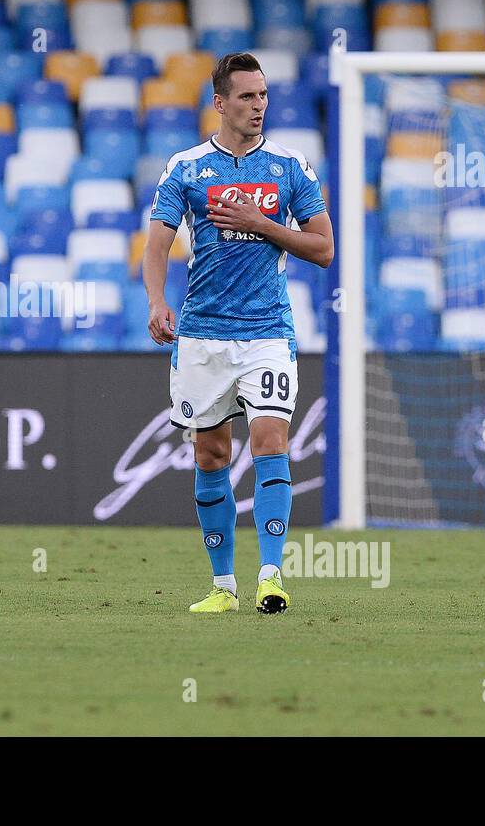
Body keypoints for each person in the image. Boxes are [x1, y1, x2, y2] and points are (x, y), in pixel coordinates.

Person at [142, 52, 335, 613]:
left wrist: (261, 224)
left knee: (272, 441)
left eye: (264, 96)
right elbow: (156, 246)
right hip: (202, 333)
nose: (259, 106)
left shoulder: (288, 167)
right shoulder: (187, 168)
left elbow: (324, 249)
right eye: (247, 97)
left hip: (268, 331)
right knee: (210, 455)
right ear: (220, 103)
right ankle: (223, 587)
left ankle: (271, 576)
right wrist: (157, 302)